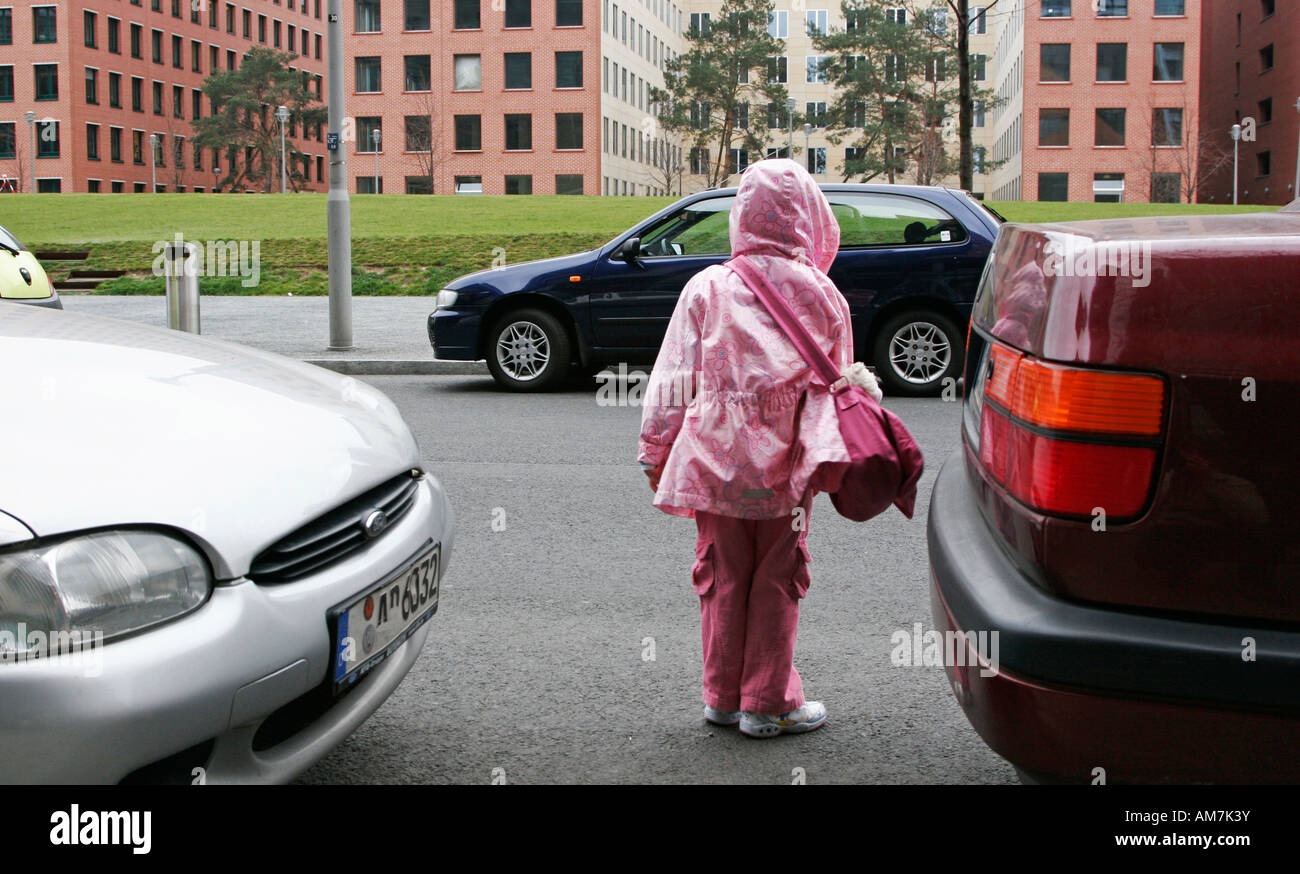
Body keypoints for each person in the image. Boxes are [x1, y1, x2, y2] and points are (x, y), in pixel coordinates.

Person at [637, 159, 878, 738]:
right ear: (809, 219)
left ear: (741, 214)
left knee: (719, 574)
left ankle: (721, 695)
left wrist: (655, 450)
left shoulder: (707, 288)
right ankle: (767, 702)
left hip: (715, 462)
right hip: (788, 469)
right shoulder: (824, 295)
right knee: (778, 577)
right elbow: (834, 387)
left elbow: (673, 376)